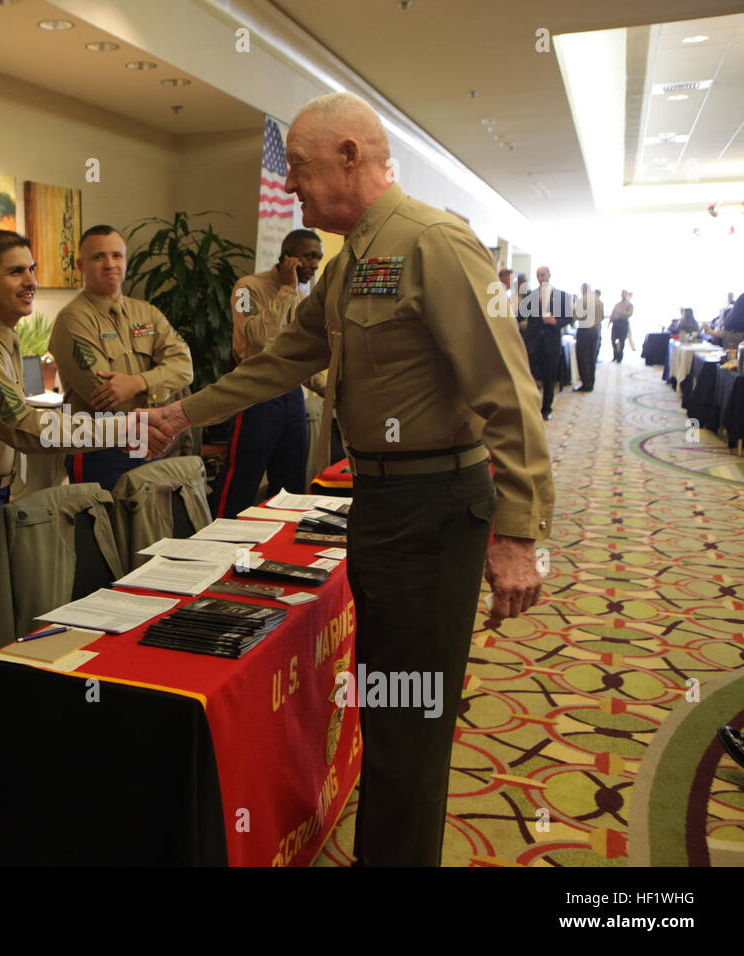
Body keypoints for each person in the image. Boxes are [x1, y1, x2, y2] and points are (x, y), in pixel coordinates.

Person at [144, 92, 553, 867]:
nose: (290, 183)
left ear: (350, 157)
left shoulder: (432, 241)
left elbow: (509, 391)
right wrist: (182, 413)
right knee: (388, 707)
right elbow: (281, 360)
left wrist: (519, 534)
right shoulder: (353, 258)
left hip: (435, 507)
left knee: (411, 724)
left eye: (297, 166)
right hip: (383, 503)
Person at [0, 229, 155, 734]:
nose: (31, 282)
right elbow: (26, 428)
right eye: (16, 272)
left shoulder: (1, 333)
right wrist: (125, 426)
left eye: (32, 269)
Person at [47, 225, 193, 491]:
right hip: (99, 447)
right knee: (103, 529)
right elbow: (105, 393)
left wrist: (139, 382)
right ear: (81, 264)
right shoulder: (73, 320)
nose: (109, 264)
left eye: (117, 256)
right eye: (98, 257)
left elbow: (184, 367)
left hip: (149, 442)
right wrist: (160, 387)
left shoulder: (146, 313)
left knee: (150, 528)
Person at [211, 229, 324, 516]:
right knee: (242, 481)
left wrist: (334, 392)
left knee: (290, 486)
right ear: (288, 257)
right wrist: (286, 290)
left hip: (291, 394)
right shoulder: (246, 288)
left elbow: (299, 353)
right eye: (309, 257)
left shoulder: (299, 295)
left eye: (319, 259)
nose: (315, 265)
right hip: (255, 394)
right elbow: (257, 341)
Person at [520, 266, 574, 419]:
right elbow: (520, 315)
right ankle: (529, 408)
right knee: (528, 377)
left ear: (549, 275)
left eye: (543, 274)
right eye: (538, 275)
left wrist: (556, 321)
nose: (541, 278)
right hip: (533, 343)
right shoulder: (530, 295)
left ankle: (546, 410)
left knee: (549, 378)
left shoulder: (561, 296)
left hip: (551, 343)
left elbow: (569, 317)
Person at [572, 282, 602, 392]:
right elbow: (602, 316)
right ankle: (591, 382)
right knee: (591, 357)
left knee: (583, 357)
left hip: (584, 330)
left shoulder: (583, 300)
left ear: (583, 289)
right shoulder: (598, 300)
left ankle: (586, 384)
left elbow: (577, 316)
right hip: (595, 330)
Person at [610, 290, 634, 362]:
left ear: (626, 295)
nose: (623, 295)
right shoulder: (617, 304)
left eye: (624, 294)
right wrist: (611, 319)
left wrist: (620, 311)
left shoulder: (629, 304)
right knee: (613, 339)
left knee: (622, 340)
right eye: (622, 294)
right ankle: (615, 355)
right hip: (615, 323)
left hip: (623, 323)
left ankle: (619, 357)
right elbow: (613, 312)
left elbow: (629, 313)